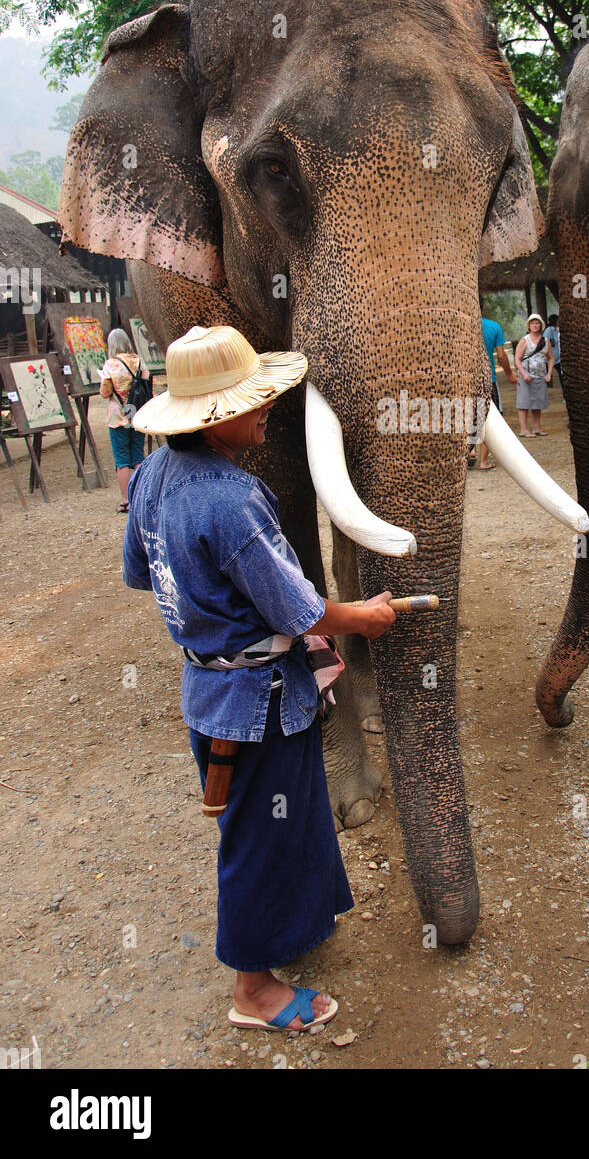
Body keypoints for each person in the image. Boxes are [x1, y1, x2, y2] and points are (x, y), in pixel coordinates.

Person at [122, 325, 396, 1033]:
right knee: (261, 839)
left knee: (293, 814)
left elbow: (137, 571)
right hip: (260, 700)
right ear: (216, 418)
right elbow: (300, 608)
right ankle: (253, 991)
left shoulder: (153, 475)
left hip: (210, 693)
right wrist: (363, 618)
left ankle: (301, 924)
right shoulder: (231, 496)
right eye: (254, 401)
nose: (268, 408)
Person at [99, 328, 149, 512]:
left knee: (122, 460)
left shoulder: (110, 365)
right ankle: (144, 495)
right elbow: (146, 382)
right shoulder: (139, 361)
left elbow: (105, 392)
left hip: (117, 417)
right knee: (138, 455)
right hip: (138, 414)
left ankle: (126, 500)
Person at [477, 301, 517, 469]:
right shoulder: (493, 326)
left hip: (464, 381)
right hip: (488, 380)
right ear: (483, 307)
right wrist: (509, 374)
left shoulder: (458, 325)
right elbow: (501, 355)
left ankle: (470, 452)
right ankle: (483, 461)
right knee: (489, 418)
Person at [515, 313, 553, 436]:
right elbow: (517, 359)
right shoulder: (524, 340)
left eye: (537, 323)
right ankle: (524, 429)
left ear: (541, 325)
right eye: (532, 323)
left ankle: (537, 428)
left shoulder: (545, 341)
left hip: (540, 375)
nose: (535, 325)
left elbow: (550, 358)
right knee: (524, 402)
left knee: (537, 402)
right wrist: (523, 373)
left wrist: (549, 373)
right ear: (529, 326)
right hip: (525, 376)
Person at [545, 313, 563, 386]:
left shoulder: (556, 330)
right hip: (551, 357)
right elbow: (545, 341)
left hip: (558, 358)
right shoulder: (549, 330)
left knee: (562, 375)